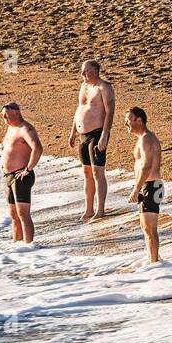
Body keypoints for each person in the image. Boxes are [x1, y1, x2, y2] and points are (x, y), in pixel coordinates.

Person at [65, 59, 114, 222]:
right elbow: (79, 109)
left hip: (97, 133)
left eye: (85, 71)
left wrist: (104, 136)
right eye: (82, 71)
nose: (82, 74)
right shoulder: (84, 86)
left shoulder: (104, 87)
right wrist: (72, 132)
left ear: (95, 71)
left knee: (97, 171)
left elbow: (109, 113)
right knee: (86, 172)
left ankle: (100, 210)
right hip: (82, 135)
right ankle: (88, 209)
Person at [125, 107, 163, 265]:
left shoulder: (146, 138)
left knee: (149, 229)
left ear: (139, 121)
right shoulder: (144, 138)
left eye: (129, 120)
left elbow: (147, 165)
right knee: (146, 227)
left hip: (151, 186)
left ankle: (154, 263)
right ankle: (153, 260)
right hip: (149, 186)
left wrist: (136, 188)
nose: (126, 123)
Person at [0, 101, 43, 244]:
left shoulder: (26, 129)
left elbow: (37, 148)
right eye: (3, 116)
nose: (5, 119)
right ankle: (17, 244)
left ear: (17, 112)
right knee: (13, 214)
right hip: (9, 176)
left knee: (23, 213)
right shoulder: (11, 128)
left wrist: (28, 169)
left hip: (21, 175)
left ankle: (29, 245)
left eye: (7, 115)